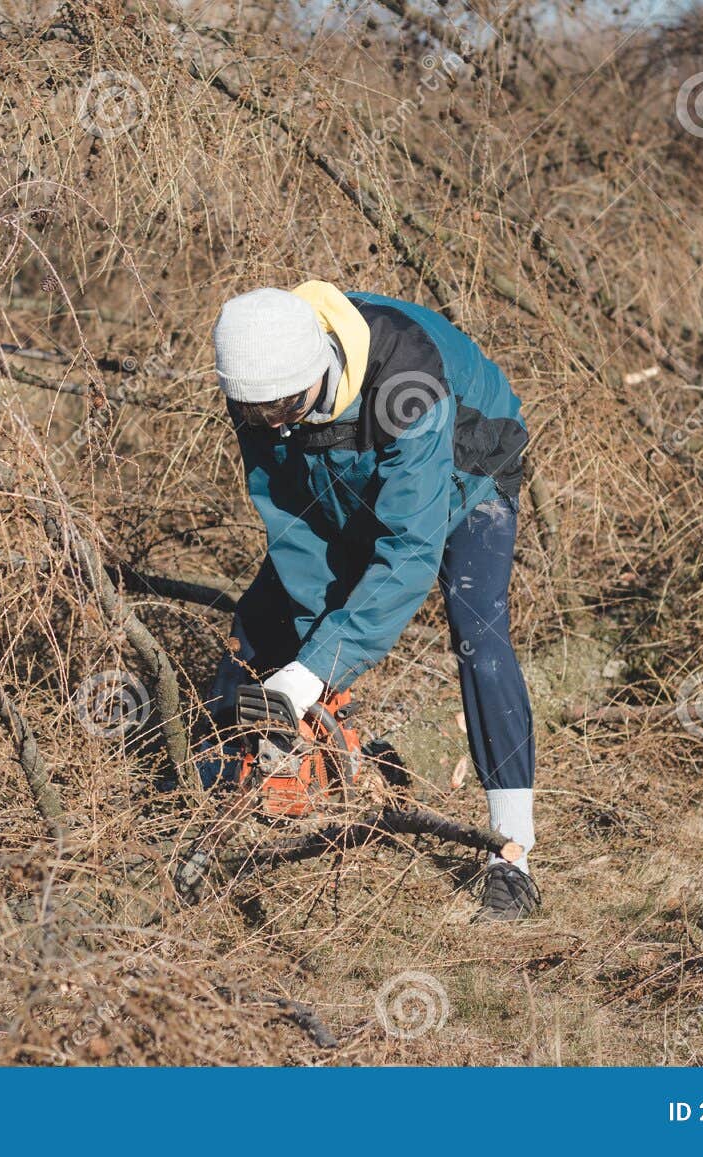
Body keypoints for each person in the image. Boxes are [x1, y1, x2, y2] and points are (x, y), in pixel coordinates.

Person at [195, 280, 541, 920]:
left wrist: (312, 672)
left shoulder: (408, 384)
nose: (270, 426)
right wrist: (304, 670)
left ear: (318, 373)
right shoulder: (260, 388)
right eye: (255, 415)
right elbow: (296, 530)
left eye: (282, 410)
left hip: (469, 465)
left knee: (479, 635)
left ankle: (512, 856)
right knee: (264, 619)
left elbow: (408, 551)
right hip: (351, 470)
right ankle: (248, 778)